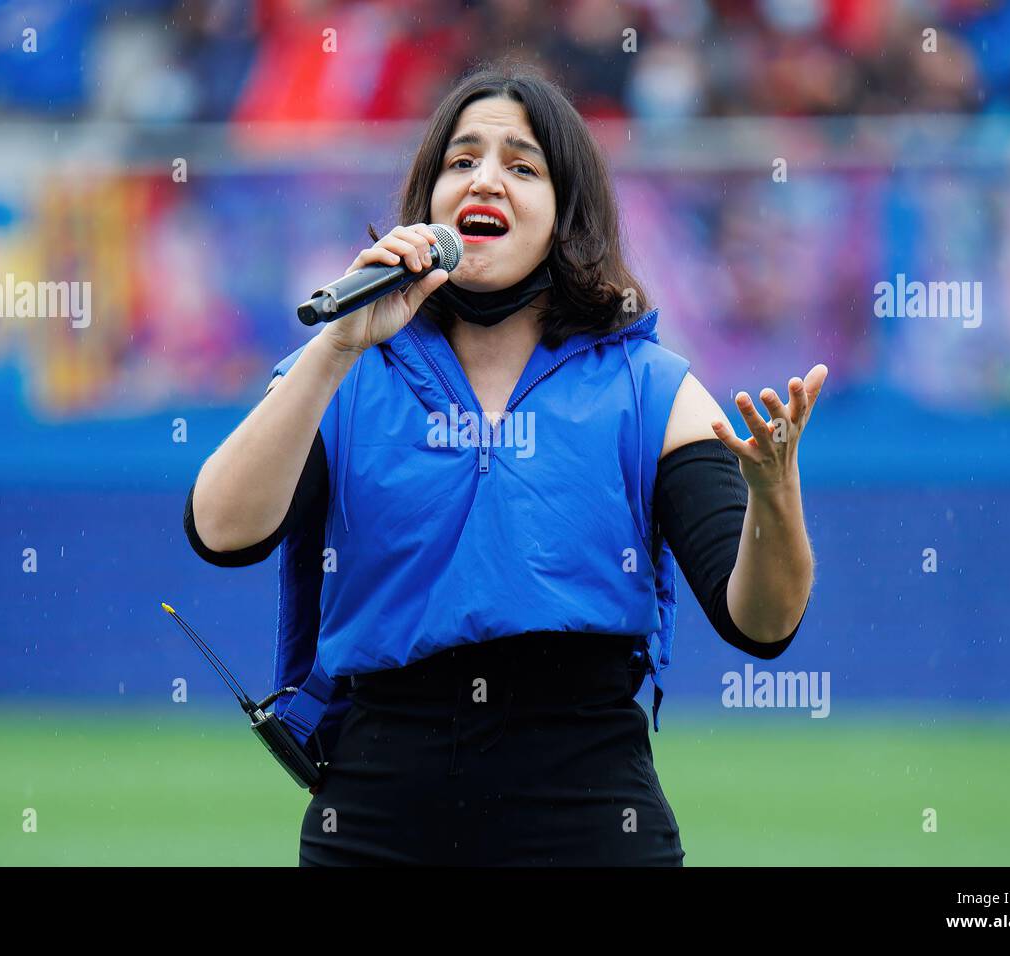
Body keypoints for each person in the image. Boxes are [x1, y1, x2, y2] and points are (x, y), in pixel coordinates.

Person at [184, 63, 824, 866]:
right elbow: (220, 532)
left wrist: (773, 498)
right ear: (427, 205)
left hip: (586, 819)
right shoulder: (341, 371)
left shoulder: (655, 389)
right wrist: (339, 342)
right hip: (378, 821)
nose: (486, 179)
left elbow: (762, 624)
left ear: (566, 217)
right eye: (462, 161)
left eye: (522, 166)